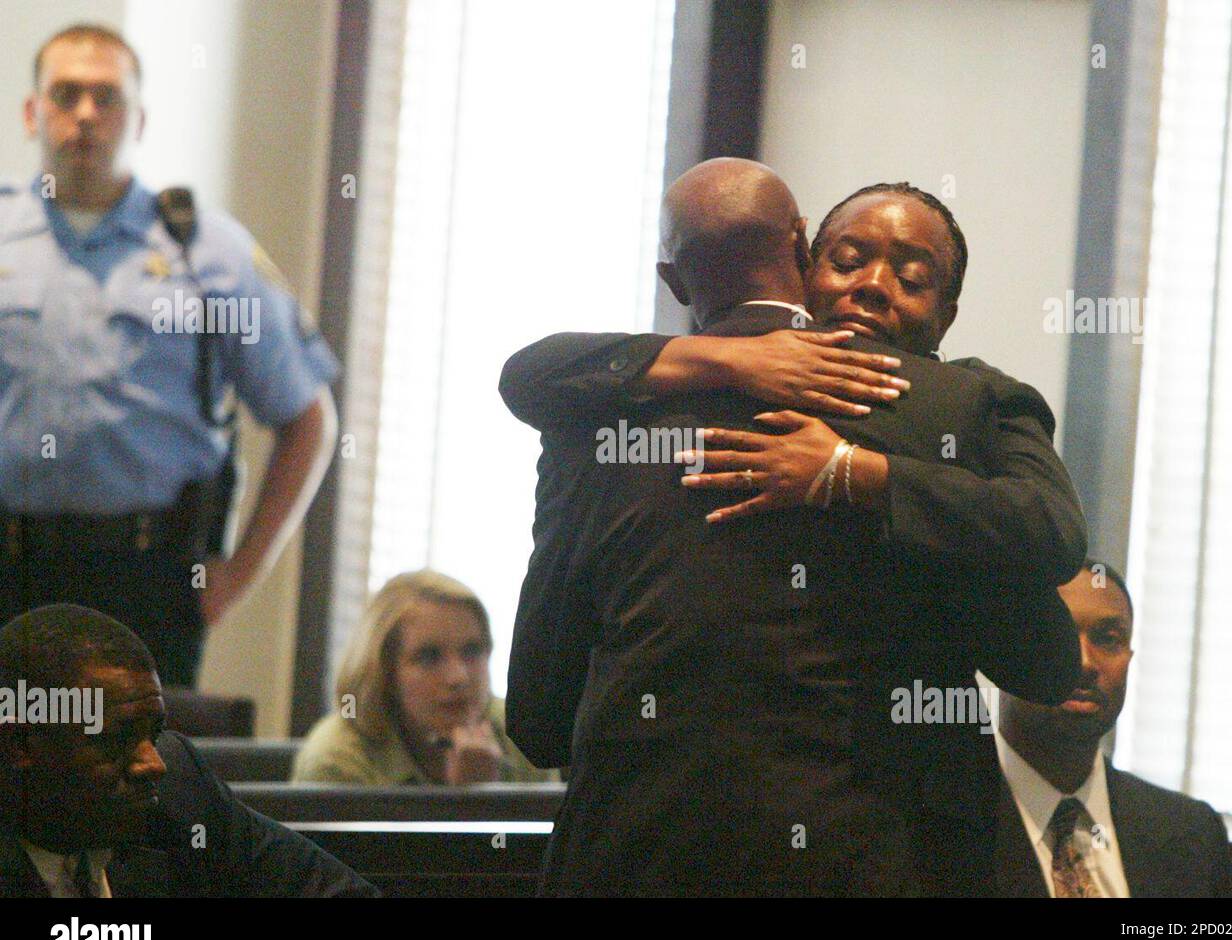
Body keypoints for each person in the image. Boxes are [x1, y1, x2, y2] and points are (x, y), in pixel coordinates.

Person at [505, 159, 1085, 895]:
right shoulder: (952, 409)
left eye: (912, 276)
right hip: (874, 859)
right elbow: (1044, 662)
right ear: (805, 251)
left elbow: (538, 718)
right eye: (851, 259)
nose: (874, 284)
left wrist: (852, 471)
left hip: (635, 851)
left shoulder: (595, 419)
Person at [0, 24, 339, 686]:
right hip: (8, 567)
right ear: (32, 111)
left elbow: (308, 420)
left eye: (108, 97)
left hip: (149, 580)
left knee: (140, 780)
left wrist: (238, 575)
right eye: (66, 94)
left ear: (140, 118)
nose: (87, 116)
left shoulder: (206, 251)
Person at [0, 604, 377, 897]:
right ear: (22, 744)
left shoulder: (180, 794)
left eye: (155, 733)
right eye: (118, 739)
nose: (153, 763)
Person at [995, 562, 1232, 897]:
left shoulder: (1192, 833)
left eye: (1107, 639)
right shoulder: (923, 830)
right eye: (1055, 637)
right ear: (998, 655)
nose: (1083, 662)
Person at [293, 570, 555, 786]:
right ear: (384, 672)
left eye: (472, 651)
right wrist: (472, 802)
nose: (458, 678)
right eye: (429, 657)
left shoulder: (520, 733)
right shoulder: (335, 761)